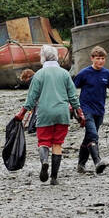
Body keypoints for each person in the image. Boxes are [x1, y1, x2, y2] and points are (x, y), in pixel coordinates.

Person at [14, 44, 82, 186]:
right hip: (62, 113)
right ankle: (54, 177)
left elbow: (31, 98)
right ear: (56, 57)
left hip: (44, 113)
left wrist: (21, 114)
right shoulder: (65, 74)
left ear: (43, 58)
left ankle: (44, 161)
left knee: (43, 142)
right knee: (57, 144)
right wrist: (80, 113)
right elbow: (73, 97)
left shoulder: (39, 75)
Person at [73, 46, 109, 174]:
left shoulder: (107, 74)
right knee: (93, 135)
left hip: (99, 110)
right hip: (86, 109)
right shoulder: (84, 73)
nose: (101, 61)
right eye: (98, 58)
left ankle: (81, 165)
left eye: (102, 59)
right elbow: (72, 89)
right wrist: (73, 105)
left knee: (89, 137)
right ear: (92, 58)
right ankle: (98, 162)